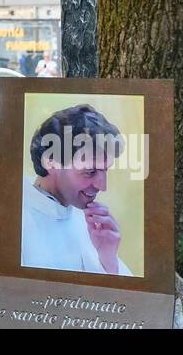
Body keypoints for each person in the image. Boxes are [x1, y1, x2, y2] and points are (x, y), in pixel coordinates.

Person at [22, 104, 133, 276]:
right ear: (51, 161)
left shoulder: (86, 220)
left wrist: (108, 258)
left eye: (105, 170)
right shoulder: (17, 220)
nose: (102, 186)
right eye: (90, 171)